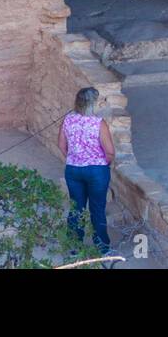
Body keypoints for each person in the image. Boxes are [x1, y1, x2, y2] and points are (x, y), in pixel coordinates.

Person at [58, 86, 115, 254]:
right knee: (97, 208)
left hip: (73, 169)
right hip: (97, 170)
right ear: (92, 104)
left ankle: (73, 246)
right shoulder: (98, 123)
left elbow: (61, 145)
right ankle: (102, 247)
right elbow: (110, 152)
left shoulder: (68, 120)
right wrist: (104, 164)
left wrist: (74, 158)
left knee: (76, 207)